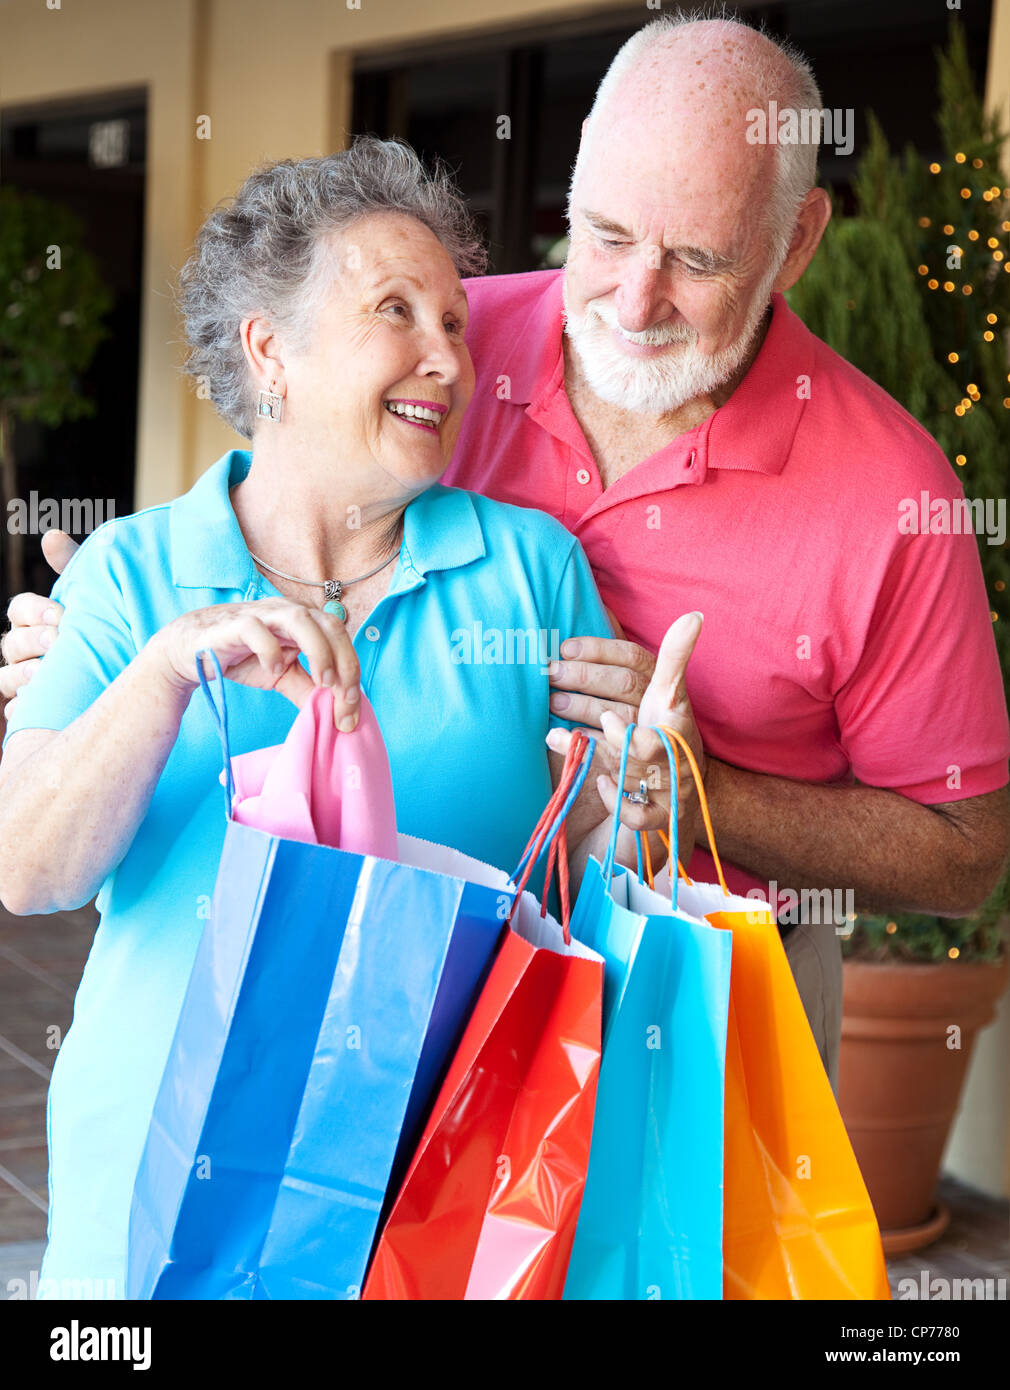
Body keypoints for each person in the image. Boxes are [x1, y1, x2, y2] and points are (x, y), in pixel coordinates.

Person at [5, 17, 1008, 1085]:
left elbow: (963, 854)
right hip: (419, 993)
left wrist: (706, 797)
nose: (632, 300)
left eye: (698, 259)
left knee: (671, 1251)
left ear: (796, 242)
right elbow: (271, 503)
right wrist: (111, 642)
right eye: (607, 235)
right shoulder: (444, 349)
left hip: (707, 975)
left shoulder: (892, 495)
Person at [0, 137, 698, 1299]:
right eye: (396, 312)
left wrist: (644, 810)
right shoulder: (128, 575)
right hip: (159, 1194)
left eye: (455, 324)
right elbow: (29, 868)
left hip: (443, 1194)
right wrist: (166, 671)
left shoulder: (528, 571)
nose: (447, 358)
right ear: (269, 350)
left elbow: (578, 870)